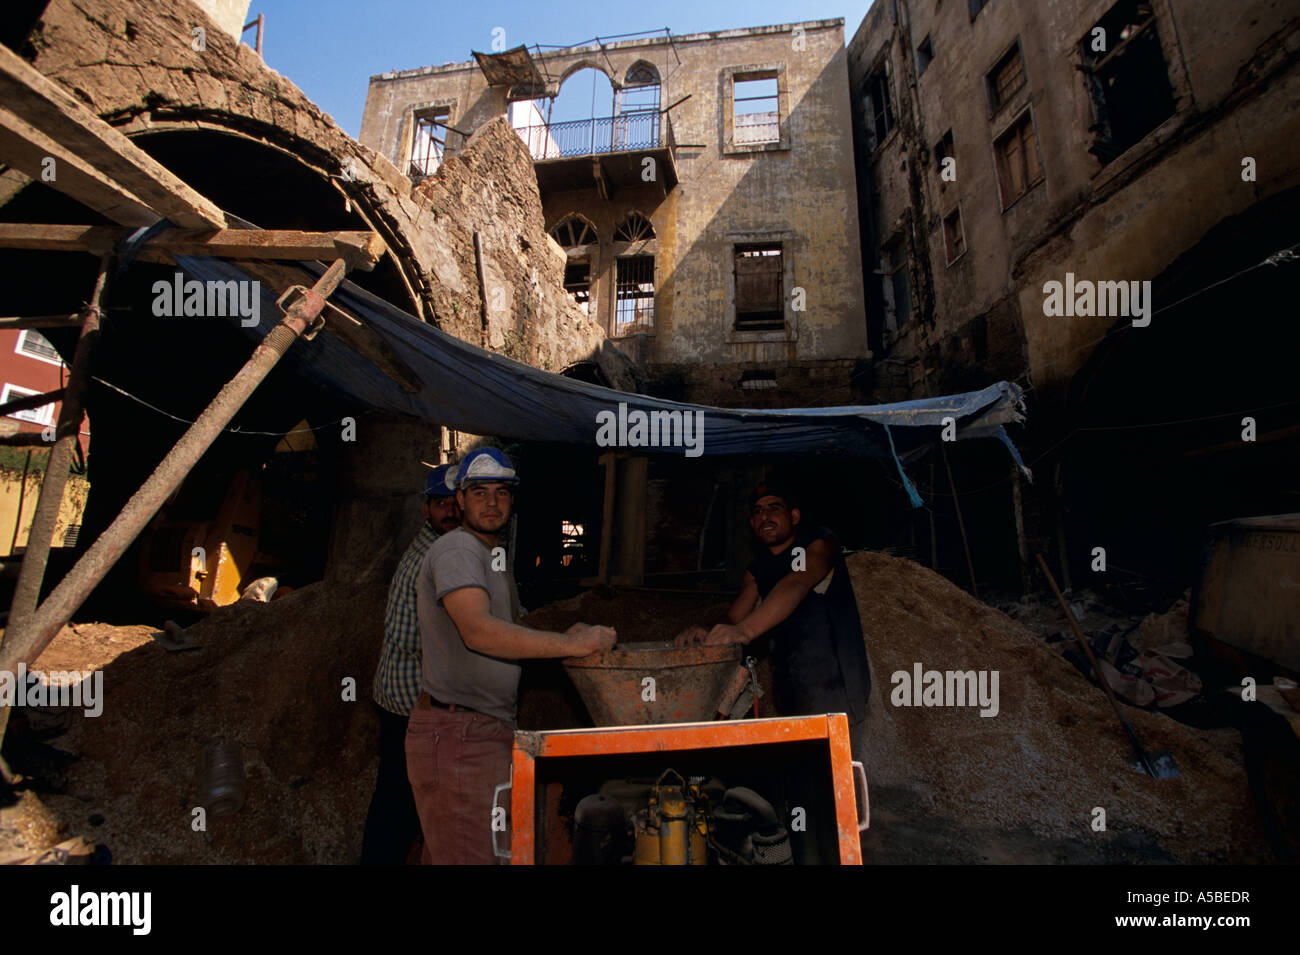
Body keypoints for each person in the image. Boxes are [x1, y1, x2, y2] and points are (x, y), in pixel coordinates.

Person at [405, 447, 616, 865]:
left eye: (501, 493)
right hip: (460, 734)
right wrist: (573, 645)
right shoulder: (459, 550)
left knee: (459, 852)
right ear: (460, 500)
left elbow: (507, 628)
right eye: (479, 492)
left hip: (474, 730)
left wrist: (561, 634)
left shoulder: (489, 557)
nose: (491, 502)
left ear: (512, 500)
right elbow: (479, 631)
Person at [676, 476, 872, 764]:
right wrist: (705, 631)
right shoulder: (758, 570)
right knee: (801, 778)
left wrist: (746, 631)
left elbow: (795, 584)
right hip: (792, 689)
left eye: (773, 508)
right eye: (757, 511)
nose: (764, 516)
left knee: (834, 780)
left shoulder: (817, 544)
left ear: (794, 516)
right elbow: (734, 615)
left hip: (835, 688)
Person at [360, 463, 461, 865]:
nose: (449, 512)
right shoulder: (429, 560)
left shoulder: (447, 551)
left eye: (456, 503)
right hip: (407, 704)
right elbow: (408, 638)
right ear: (426, 510)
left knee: (403, 797)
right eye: (441, 504)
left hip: (408, 698)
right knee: (398, 801)